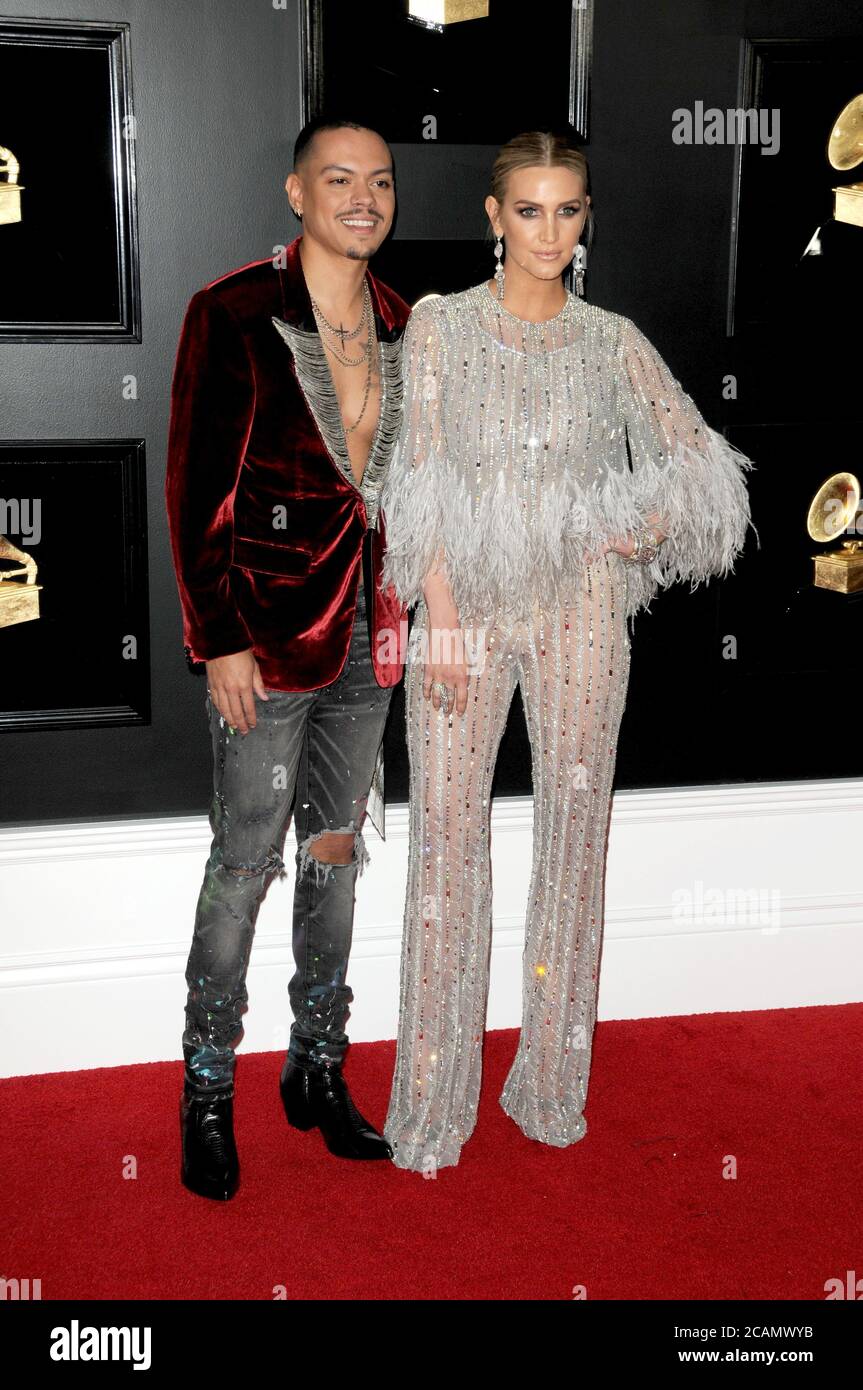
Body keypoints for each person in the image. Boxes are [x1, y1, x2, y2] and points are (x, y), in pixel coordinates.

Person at [379, 130, 758, 1172]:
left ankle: (547, 1084)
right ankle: (432, 1102)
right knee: (445, 850)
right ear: (494, 217)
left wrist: (623, 532)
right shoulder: (441, 327)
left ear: (586, 217)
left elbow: (701, 467)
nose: (549, 231)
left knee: (572, 846)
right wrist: (440, 614)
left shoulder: (613, 340)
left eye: (568, 210)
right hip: (465, 609)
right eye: (529, 210)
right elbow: (417, 480)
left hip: (583, 613)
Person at [165, 116, 410, 1200]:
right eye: (339, 180)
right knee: (242, 866)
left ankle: (316, 1067)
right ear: (296, 192)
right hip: (261, 641)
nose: (363, 197)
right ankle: (206, 1090)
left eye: (380, 181)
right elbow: (192, 488)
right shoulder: (232, 313)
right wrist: (216, 635)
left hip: (366, 635)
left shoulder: (407, 321)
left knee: (336, 855)